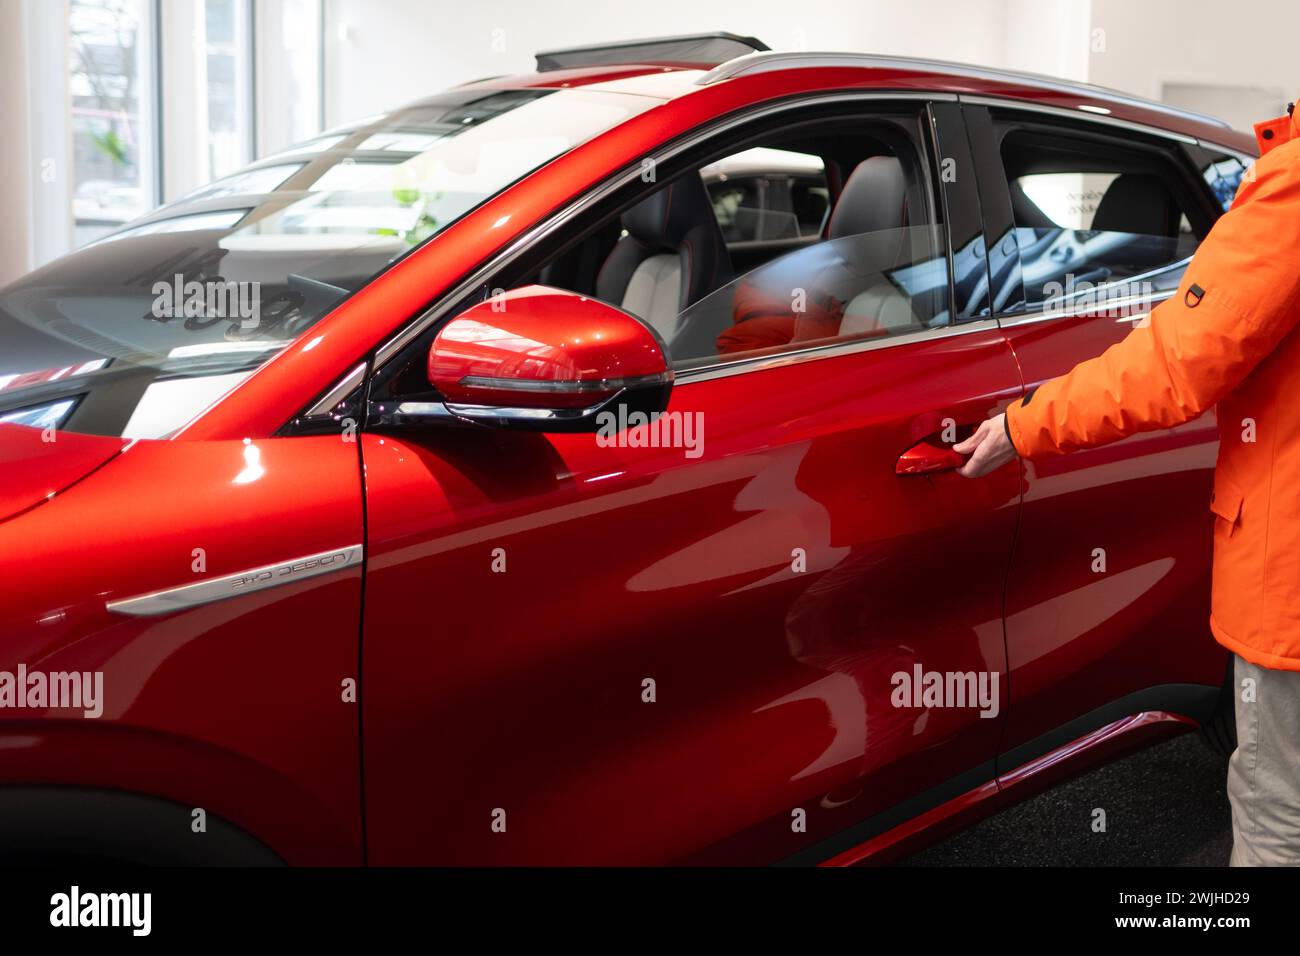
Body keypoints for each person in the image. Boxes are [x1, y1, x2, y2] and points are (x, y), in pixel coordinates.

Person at [953, 104, 1300, 866]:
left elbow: (1179, 365)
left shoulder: (1294, 187)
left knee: (1279, 811)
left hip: (1293, 577)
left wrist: (1024, 424)